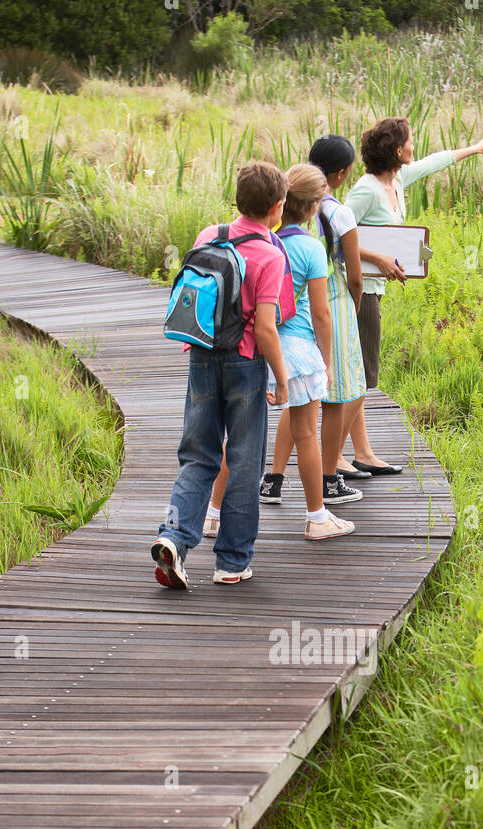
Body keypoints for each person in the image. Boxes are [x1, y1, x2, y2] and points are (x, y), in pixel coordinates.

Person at [150, 161, 289, 589]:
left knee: (198, 455)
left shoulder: (208, 236)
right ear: (277, 207)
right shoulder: (270, 254)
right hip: (245, 365)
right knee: (245, 461)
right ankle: (231, 562)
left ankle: (173, 538)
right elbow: (266, 328)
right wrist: (282, 380)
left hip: (202, 358)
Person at [343, 117, 483, 478]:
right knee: (363, 375)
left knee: (359, 372)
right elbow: (337, 234)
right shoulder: (367, 189)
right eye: (410, 141)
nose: (415, 146)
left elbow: (435, 161)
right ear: (397, 150)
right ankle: (335, 458)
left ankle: (363, 452)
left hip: (373, 288)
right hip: (359, 290)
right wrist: (378, 258)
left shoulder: (396, 180)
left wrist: (477, 148)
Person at [214, 163, 355, 542]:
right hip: (296, 347)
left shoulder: (260, 239)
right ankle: (317, 517)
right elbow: (322, 314)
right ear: (313, 207)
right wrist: (325, 360)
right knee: (307, 434)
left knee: (236, 437)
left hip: (253, 345)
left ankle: (212, 514)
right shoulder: (310, 247)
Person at [261, 134, 366, 506]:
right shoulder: (328, 225)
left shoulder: (266, 238)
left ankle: (270, 480)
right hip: (321, 317)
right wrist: (352, 315)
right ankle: (327, 484)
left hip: (267, 333)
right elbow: (352, 279)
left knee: (297, 404)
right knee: (339, 396)